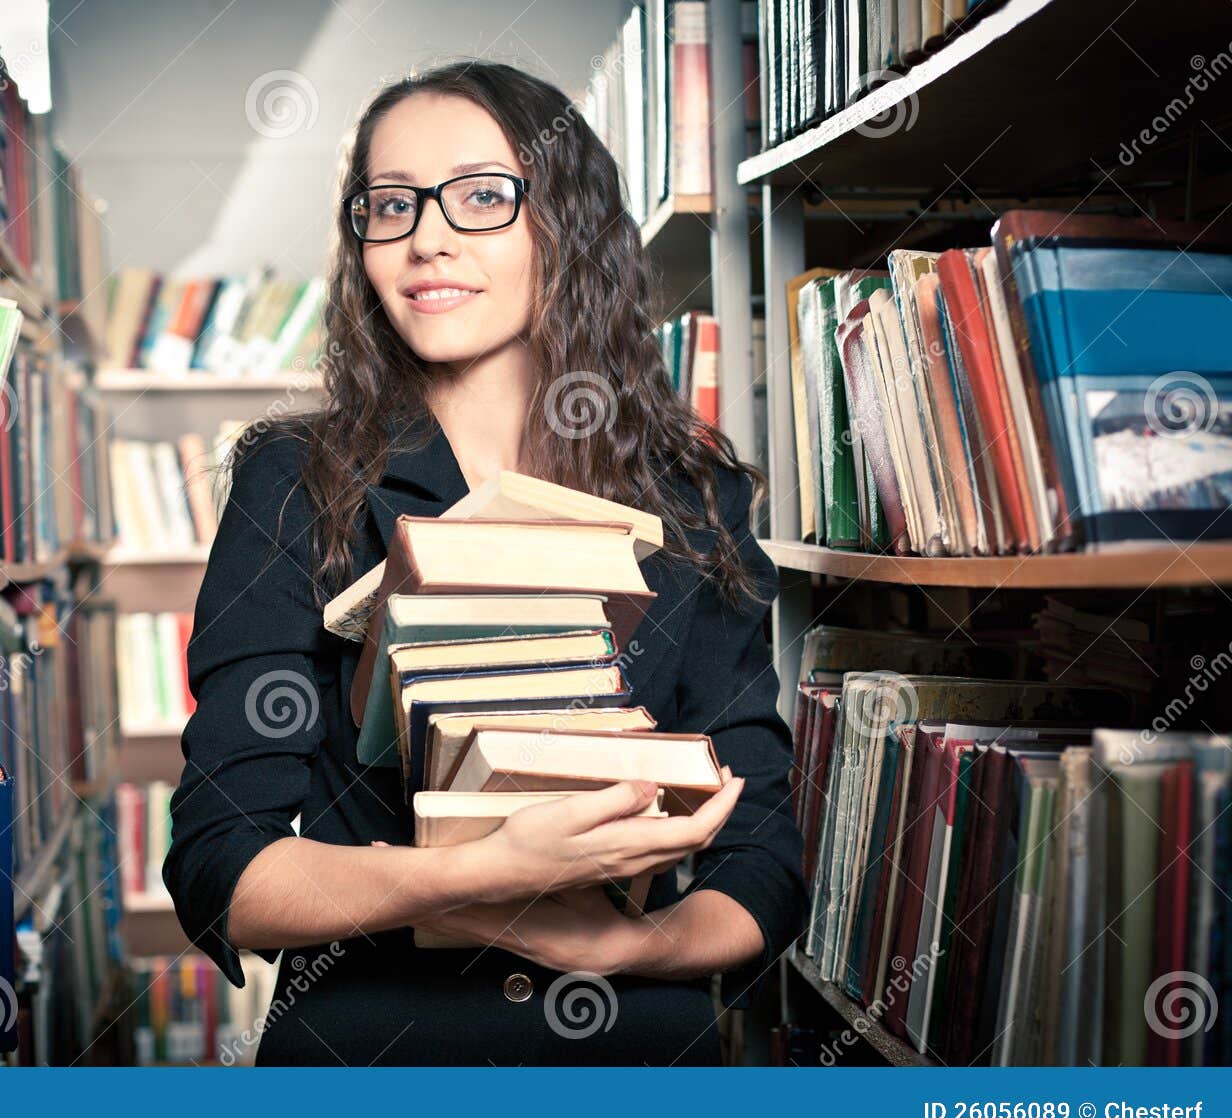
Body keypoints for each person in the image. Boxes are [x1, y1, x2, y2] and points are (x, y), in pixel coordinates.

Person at [164, 60, 806, 1065]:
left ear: (569, 222)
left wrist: (631, 943)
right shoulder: (294, 480)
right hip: (374, 1055)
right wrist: (474, 874)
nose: (428, 235)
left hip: (636, 1057)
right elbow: (222, 870)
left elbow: (761, 858)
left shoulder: (692, 495)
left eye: (480, 196)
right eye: (390, 205)